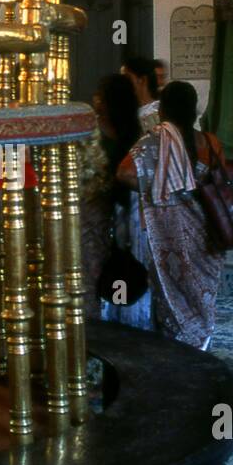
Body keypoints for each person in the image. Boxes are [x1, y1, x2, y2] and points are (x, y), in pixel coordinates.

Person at [115, 81, 227, 350]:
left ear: (163, 109)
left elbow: (124, 173)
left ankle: (177, 349)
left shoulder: (155, 140)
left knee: (171, 293)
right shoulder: (210, 142)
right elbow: (221, 182)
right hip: (208, 232)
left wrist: (159, 190)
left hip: (168, 234)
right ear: (193, 110)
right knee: (202, 294)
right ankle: (201, 342)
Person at [81, 73, 142, 317]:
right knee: (97, 272)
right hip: (115, 214)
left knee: (85, 275)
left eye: (100, 95)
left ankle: (88, 333)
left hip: (89, 211)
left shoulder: (91, 130)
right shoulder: (132, 131)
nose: (95, 99)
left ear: (107, 101)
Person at [122, 57, 160, 131]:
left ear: (142, 80)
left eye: (127, 78)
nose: (122, 84)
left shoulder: (159, 111)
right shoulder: (126, 112)